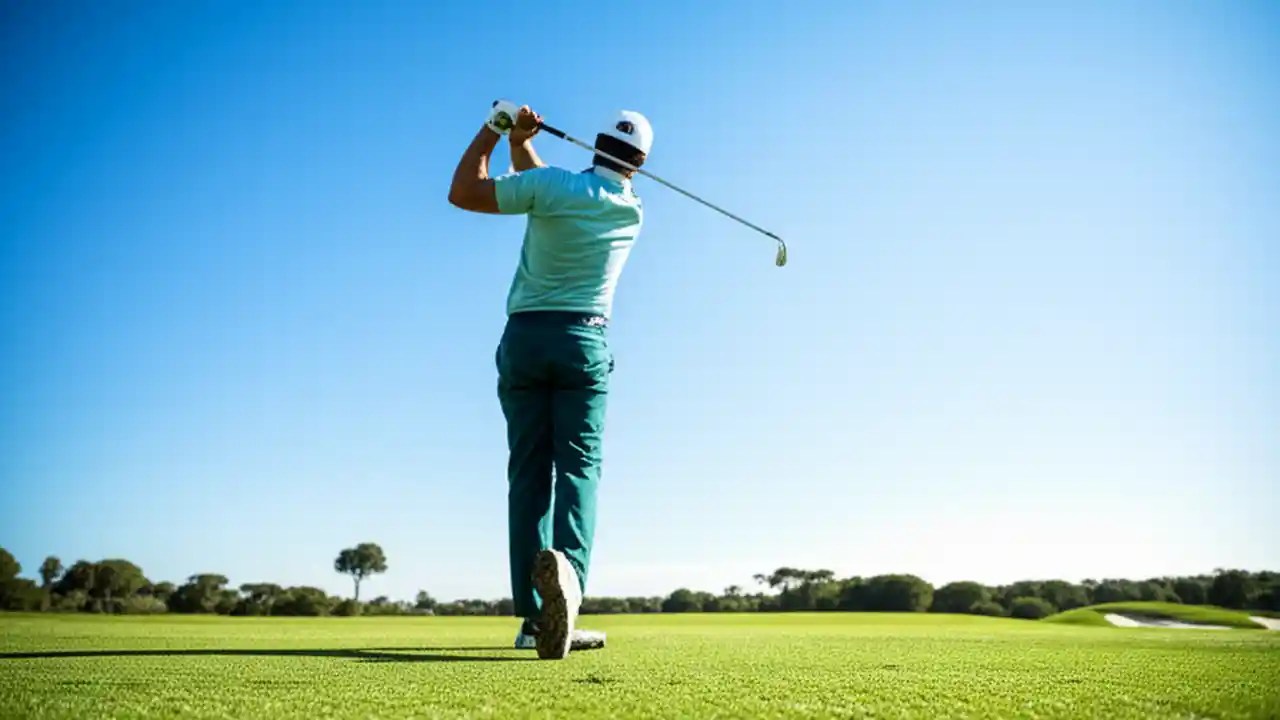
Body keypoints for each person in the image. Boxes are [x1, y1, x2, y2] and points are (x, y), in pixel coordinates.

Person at [448, 101, 653, 659]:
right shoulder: (631, 208)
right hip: (583, 345)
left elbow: (466, 191)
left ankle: (535, 620)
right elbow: (548, 185)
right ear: (637, 162)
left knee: (529, 478)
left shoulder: (550, 186)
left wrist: (496, 129)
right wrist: (522, 143)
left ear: (594, 144)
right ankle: (571, 591)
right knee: (579, 470)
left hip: (525, 341)